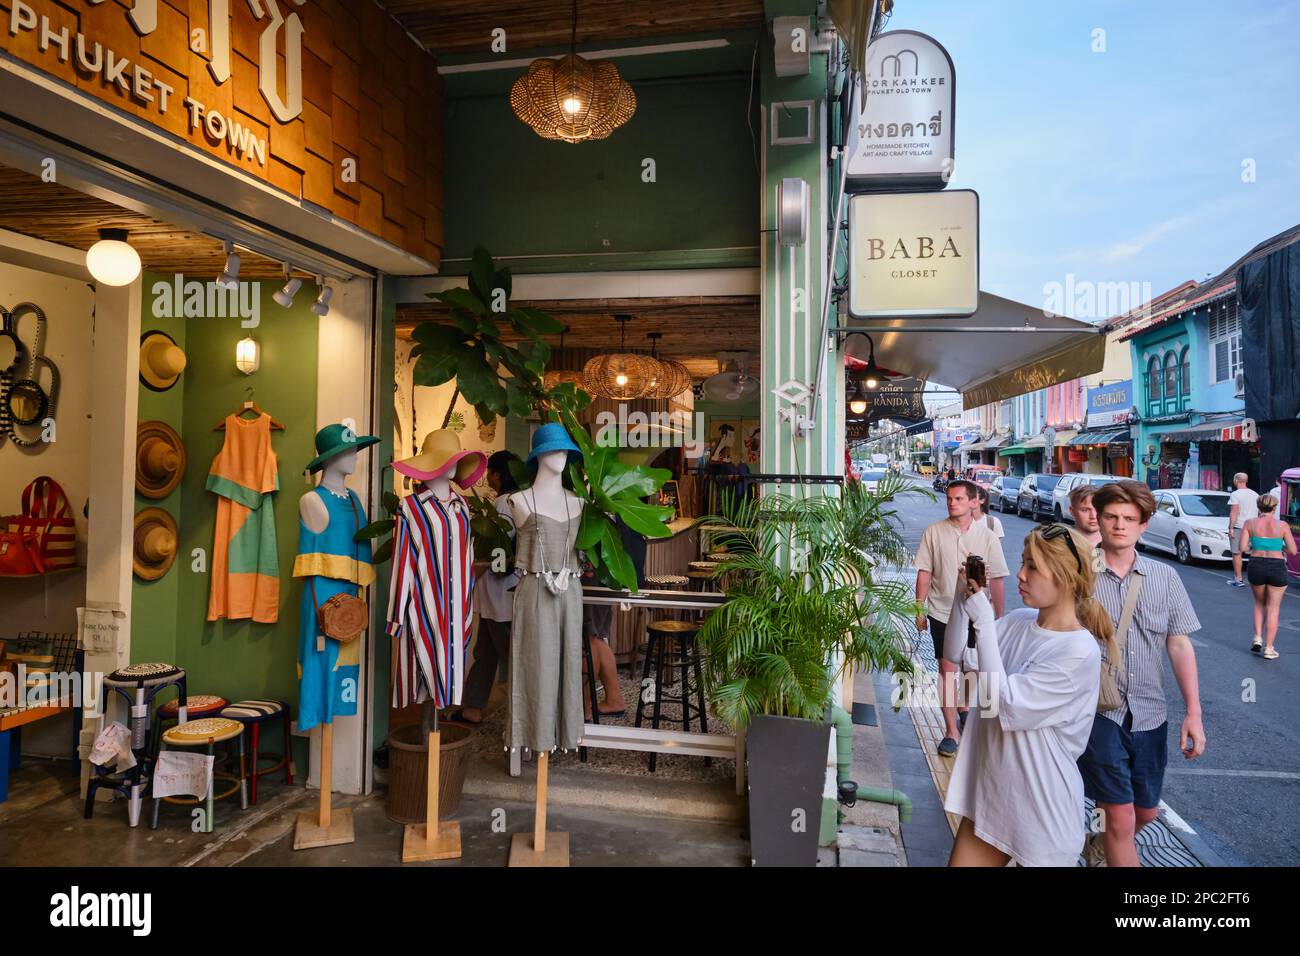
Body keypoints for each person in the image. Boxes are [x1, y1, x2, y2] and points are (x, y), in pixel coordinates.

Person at [943, 524, 1108, 866]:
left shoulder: (1079, 651)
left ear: (1065, 578)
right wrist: (964, 601)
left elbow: (1007, 705)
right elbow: (956, 653)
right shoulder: (1019, 622)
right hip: (992, 801)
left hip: (1041, 815)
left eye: (1032, 566)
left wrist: (985, 621)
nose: (1020, 574)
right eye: (1023, 562)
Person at [1079, 480, 1205, 867]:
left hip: (1150, 714)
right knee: (1119, 816)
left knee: (1146, 813)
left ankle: (1096, 845)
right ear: (1098, 519)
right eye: (1112, 517)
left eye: (1129, 519)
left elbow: (1179, 644)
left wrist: (1194, 713)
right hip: (1096, 712)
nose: (1120, 525)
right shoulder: (1078, 574)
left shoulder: (1165, 578)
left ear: (1143, 525)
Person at [915, 479, 1009, 757]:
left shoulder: (988, 537)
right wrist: (919, 609)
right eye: (949, 499)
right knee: (947, 669)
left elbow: (999, 580)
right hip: (942, 612)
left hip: (978, 616)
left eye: (958, 499)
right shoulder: (934, 532)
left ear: (973, 501)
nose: (953, 503)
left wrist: (998, 618)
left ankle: (966, 708)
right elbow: (924, 572)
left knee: (975, 670)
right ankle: (950, 731)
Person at [457, 451, 520, 724]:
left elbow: (496, 551)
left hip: (500, 591)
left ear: (497, 474)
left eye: (490, 473)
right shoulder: (512, 502)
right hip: (498, 593)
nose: (487, 478)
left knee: (508, 654)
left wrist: (471, 574)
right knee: (485, 651)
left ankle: (522, 712)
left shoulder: (505, 504)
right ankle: (473, 705)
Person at [1238, 494, 1297, 659]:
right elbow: (1292, 550)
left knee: (1259, 603)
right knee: (1273, 608)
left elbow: (1243, 547)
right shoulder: (1283, 525)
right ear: (1275, 507)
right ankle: (1269, 648)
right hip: (1277, 566)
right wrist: (1280, 547)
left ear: (1259, 507)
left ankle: (1257, 637)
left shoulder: (1250, 523)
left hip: (1256, 564)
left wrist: (1255, 545)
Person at [1227, 472, 1259, 588]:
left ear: (1236, 481)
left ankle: (1238, 579)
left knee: (1237, 553)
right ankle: (1256, 579)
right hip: (1253, 527)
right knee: (1254, 553)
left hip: (1239, 526)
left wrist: (1231, 527)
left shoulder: (1235, 494)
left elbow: (1234, 511)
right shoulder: (1255, 494)